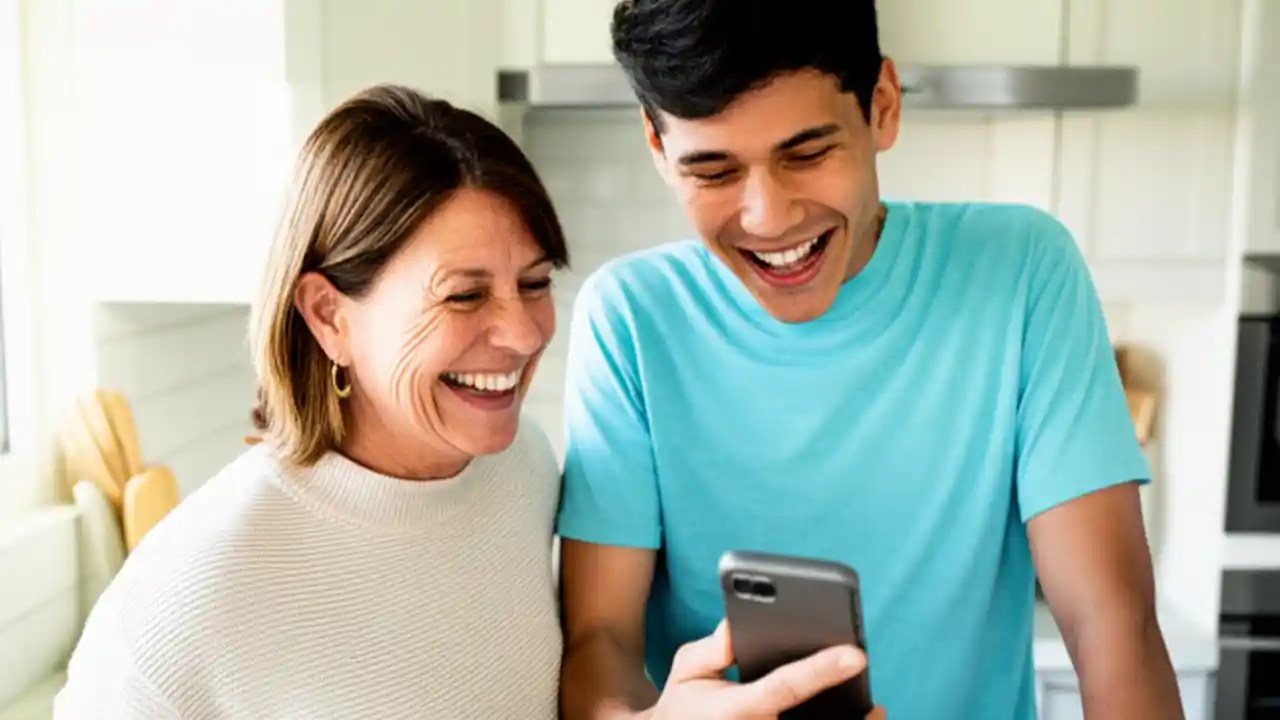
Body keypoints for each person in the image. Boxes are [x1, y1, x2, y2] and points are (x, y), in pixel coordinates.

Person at [557, 1, 1185, 719]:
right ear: (657, 146)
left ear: (881, 107)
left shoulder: (1021, 272)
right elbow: (598, 642)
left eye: (806, 153)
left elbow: (1113, 625)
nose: (768, 217)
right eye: (714, 170)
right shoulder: (631, 320)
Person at [56, 85, 573, 719]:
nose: (524, 333)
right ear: (330, 317)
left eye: (535, 283)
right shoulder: (189, 594)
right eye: (464, 297)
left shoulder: (524, 468)